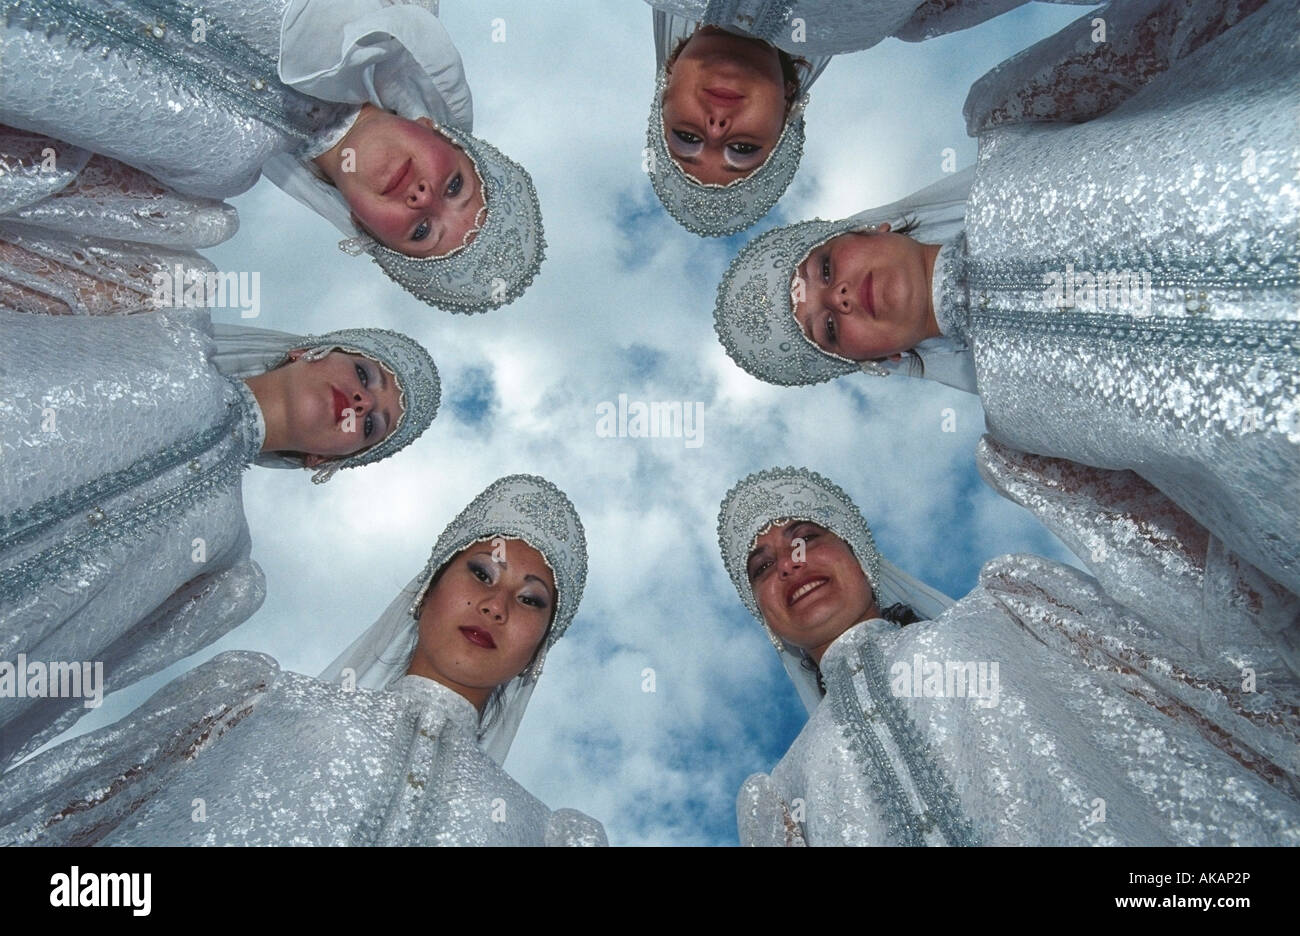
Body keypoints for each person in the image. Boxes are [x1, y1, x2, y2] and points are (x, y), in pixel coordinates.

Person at [714, 0, 1299, 595]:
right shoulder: (1025, 447)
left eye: (824, 266)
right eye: (828, 331)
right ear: (878, 362)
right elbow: (1199, 571)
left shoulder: (1015, 115)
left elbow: (1188, 25)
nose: (836, 296)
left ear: (872, 227)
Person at [0, 475, 607, 847]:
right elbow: (73, 817)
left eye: (530, 600)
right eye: (480, 572)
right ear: (426, 590)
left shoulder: (544, 834)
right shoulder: (256, 700)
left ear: (537, 655)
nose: (496, 604)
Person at [718, 464, 1300, 846]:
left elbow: (1189, 698)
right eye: (763, 567)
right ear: (768, 619)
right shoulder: (782, 800)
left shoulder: (1010, 610)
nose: (790, 562)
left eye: (807, 536)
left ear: (862, 558)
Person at [0, 307, 441, 768]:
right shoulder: (169, 336)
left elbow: (77, 659)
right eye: (365, 373)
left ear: (322, 461)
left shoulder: (223, 557)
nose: (363, 402)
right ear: (307, 351)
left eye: (373, 426)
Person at [0, 0, 543, 312]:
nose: (424, 201)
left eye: (420, 233)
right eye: (455, 188)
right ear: (440, 132)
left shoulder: (215, 171)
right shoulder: (368, 11)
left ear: (365, 230)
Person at [643, 0, 1094, 235]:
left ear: (665, 88)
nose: (716, 131)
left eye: (685, 137)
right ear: (788, 108)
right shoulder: (888, 22)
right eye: (742, 150)